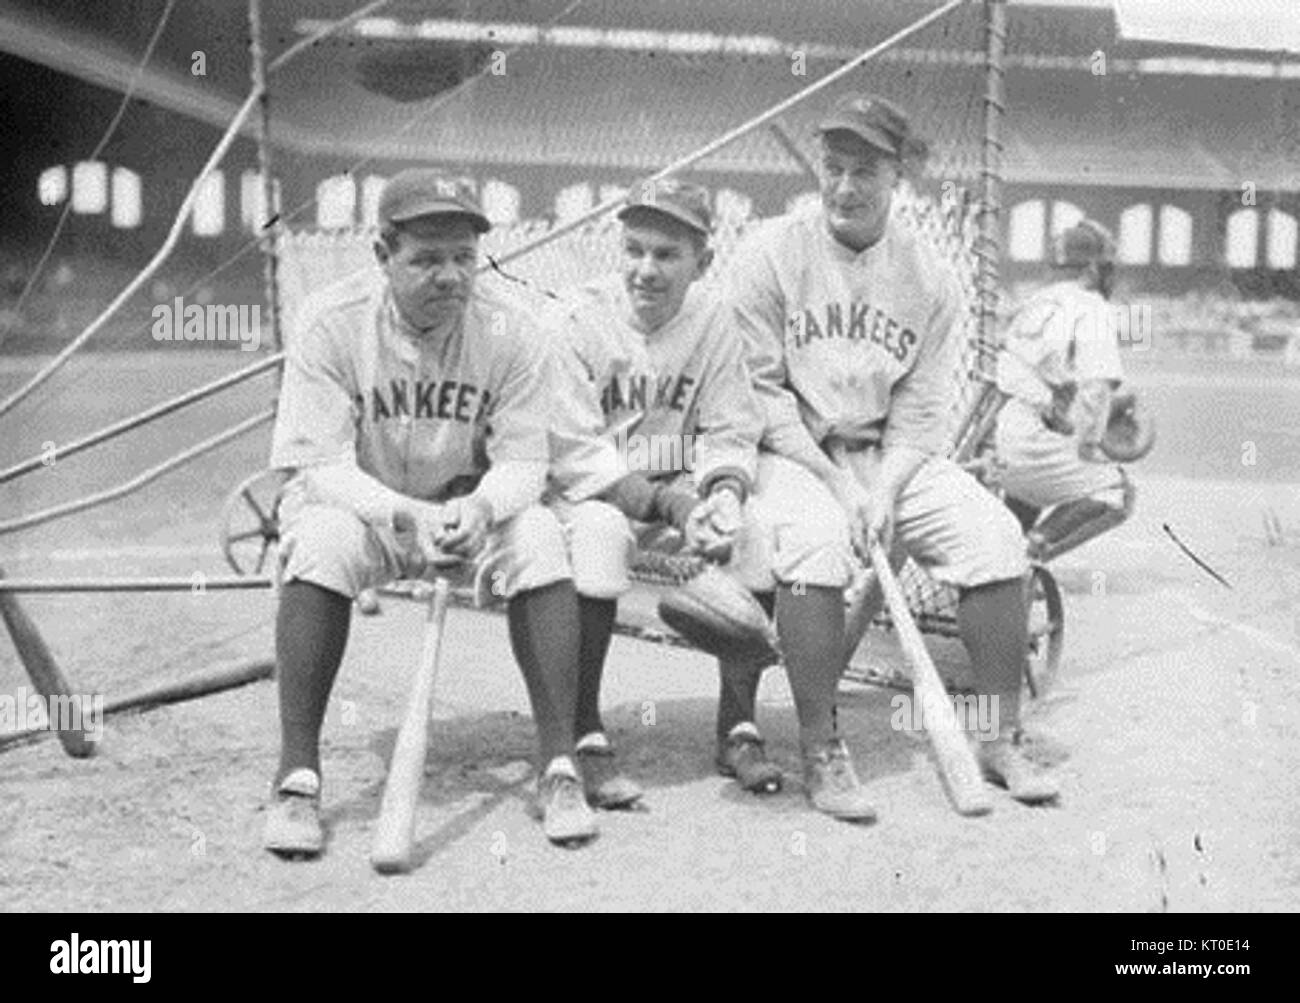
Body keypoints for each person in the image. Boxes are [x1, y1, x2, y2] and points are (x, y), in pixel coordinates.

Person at [723, 93, 1060, 808]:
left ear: (897, 176)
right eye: (834, 167)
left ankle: (998, 735)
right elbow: (761, 395)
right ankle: (822, 747)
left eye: (864, 172)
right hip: (793, 451)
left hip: (889, 455)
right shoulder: (768, 253)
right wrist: (836, 484)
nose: (845, 186)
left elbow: (919, 412)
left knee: (995, 535)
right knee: (814, 544)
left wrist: (882, 488)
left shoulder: (929, 276)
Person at [263, 169, 607, 856]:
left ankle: (559, 764)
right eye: (427, 258)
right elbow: (320, 466)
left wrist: (483, 506)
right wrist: (402, 514)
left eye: (463, 257)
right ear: (382, 255)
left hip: (467, 509)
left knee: (539, 533)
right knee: (319, 541)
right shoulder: (330, 322)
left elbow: (524, 462)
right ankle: (297, 777)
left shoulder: (512, 328)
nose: (450, 276)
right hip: (365, 505)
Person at [995, 219, 1135, 562]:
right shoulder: (1092, 307)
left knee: (1033, 484)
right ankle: (1030, 555)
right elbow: (1096, 389)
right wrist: (1090, 444)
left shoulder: (1033, 303)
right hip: (1044, 444)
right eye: (1105, 266)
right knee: (1117, 492)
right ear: (1091, 268)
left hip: (1007, 441)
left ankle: (1001, 552)